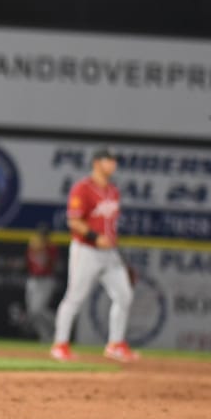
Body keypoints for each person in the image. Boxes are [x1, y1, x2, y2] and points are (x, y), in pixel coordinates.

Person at [49, 147, 138, 363]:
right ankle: (60, 344)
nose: (113, 164)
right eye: (109, 160)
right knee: (75, 297)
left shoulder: (113, 191)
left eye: (114, 160)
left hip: (110, 253)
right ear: (97, 163)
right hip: (86, 250)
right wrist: (95, 237)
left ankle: (115, 344)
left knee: (124, 295)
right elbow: (73, 221)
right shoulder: (82, 188)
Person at [22, 223, 60, 341]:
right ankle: (45, 336)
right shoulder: (32, 245)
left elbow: (49, 265)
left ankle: (60, 322)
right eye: (41, 234)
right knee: (32, 312)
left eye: (44, 234)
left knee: (37, 310)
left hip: (46, 280)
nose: (42, 236)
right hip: (33, 280)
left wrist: (42, 248)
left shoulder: (51, 247)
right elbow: (28, 264)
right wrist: (35, 248)